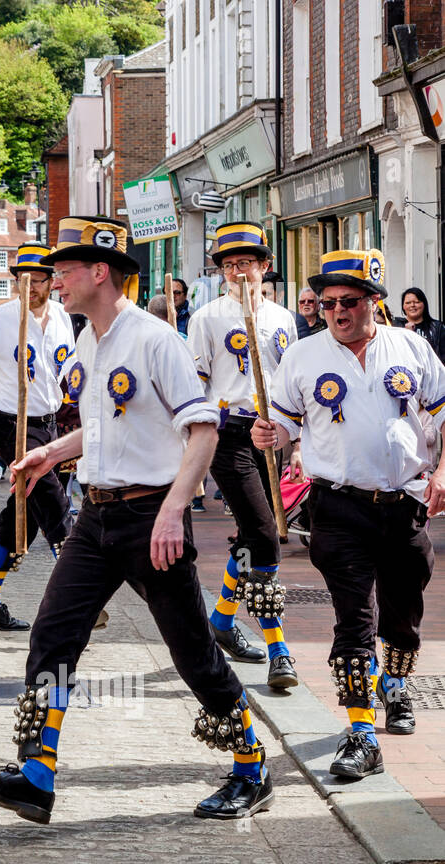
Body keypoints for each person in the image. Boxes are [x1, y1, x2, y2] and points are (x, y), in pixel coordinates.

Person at [0, 216, 273, 823]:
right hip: (96, 519)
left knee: (191, 652)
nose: (54, 279)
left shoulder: (156, 339)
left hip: (152, 517)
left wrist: (175, 511)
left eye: (64, 269)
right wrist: (54, 451)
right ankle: (35, 775)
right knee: (53, 634)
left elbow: (203, 430)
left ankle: (251, 765)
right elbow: (102, 427)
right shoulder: (88, 339)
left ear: (99, 271)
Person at [255, 249, 445, 773]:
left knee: (403, 614)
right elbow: (285, 423)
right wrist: (270, 432)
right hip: (337, 507)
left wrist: (442, 475)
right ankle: (361, 732)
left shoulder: (411, 347)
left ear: (374, 303)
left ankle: (398, 685)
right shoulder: (302, 356)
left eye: (349, 301)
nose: (337, 311)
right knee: (353, 619)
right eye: (329, 302)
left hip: (405, 502)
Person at [186, 222, 296, 678]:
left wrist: (296, 439)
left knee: (254, 534)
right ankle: (278, 650)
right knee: (266, 533)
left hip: (274, 436)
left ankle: (222, 619)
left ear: (265, 267)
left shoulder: (284, 318)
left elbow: (292, 383)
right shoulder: (207, 317)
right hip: (230, 436)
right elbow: (196, 387)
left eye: (246, 263)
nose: (237, 272)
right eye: (229, 265)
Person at [0, 243, 75, 631]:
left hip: (50, 423)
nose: (28, 286)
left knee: (22, 516)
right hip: (12, 426)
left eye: (37, 279)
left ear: (52, 280)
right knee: (53, 500)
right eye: (21, 279)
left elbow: (70, 372)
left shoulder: (64, 317)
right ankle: (80, 593)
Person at [394, 287, 445, 364]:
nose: (412, 305)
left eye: (417, 302)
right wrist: (407, 334)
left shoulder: (437, 327)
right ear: (403, 307)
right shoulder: (396, 326)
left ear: (424, 304)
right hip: (404, 373)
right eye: (408, 303)